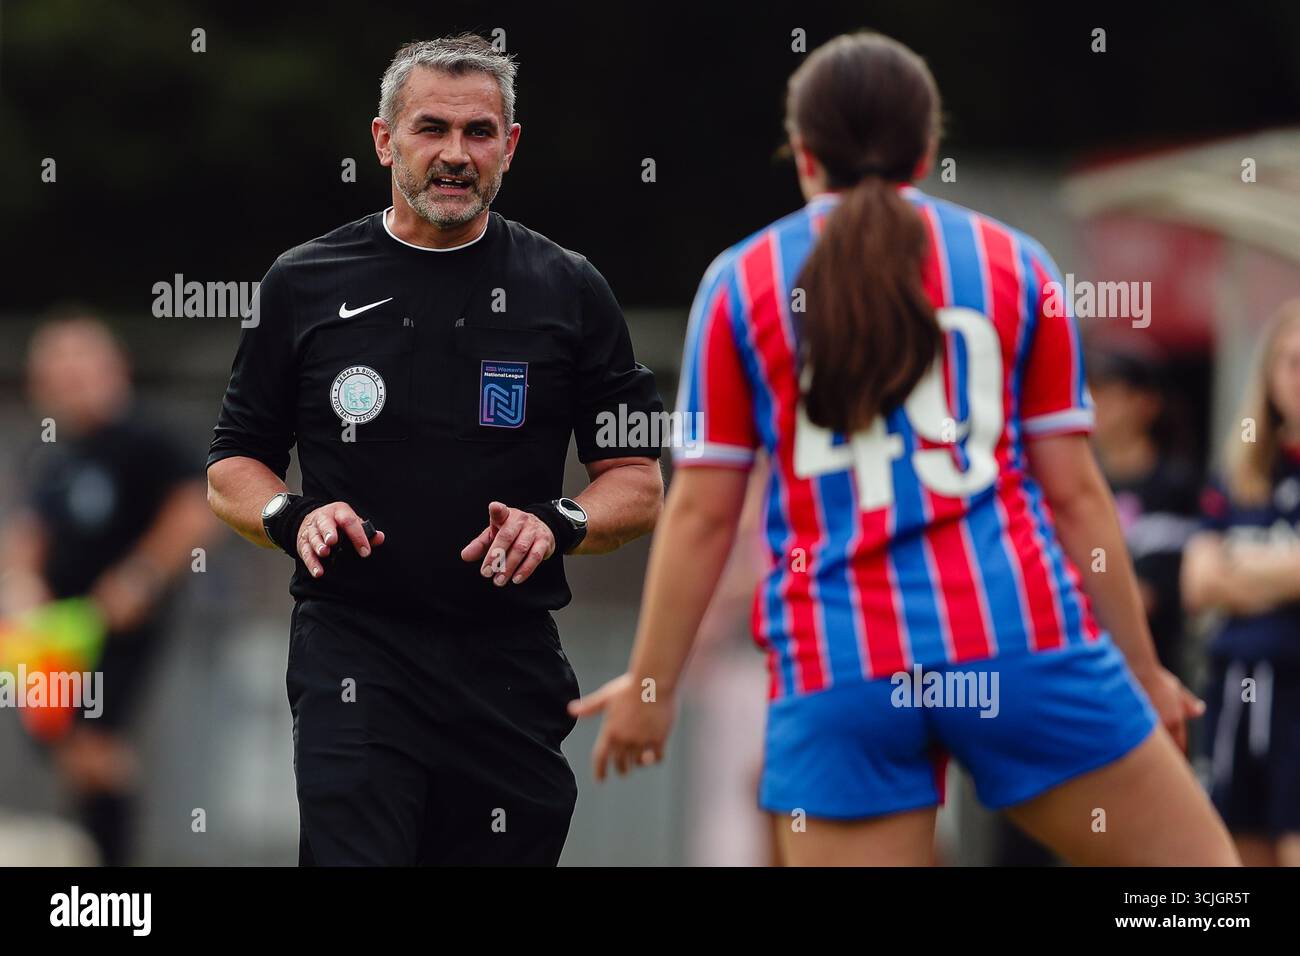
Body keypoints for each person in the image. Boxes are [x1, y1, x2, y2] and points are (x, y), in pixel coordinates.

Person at [571, 31, 1238, 866]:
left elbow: (705, 513)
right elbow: (1074, 496)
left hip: (842, 671)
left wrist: (651, 687)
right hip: (1017, 649)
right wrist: (1141, 673)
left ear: (804, 155)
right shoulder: (1015, 264)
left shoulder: (740, 282)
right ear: (927, 150)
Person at [205, 34, 663, 866]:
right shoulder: (303, 282)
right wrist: (291, 514)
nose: (456, 154)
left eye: (479, 132)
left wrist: (558, 521)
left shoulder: (568, 288)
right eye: (431, 129)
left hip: (508, 661)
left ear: (510, 147)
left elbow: (636, 481)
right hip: (355, 649)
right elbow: (233, 464)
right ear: (384, 140)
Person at [0, 311, 214, 865]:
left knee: (98, 745)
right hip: (59, 631)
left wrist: (140, 577)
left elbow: (195, 507)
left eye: (80, 363)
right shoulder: (54, 452)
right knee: (68, 745)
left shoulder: (145, 437)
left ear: (113, 367)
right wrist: (21, 586)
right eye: (56, 369)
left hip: (119, 626)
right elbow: (28, 534)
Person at [1183, 300, 1300, 867]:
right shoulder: (1241, 470)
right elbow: (1199, 583)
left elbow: (1221, 570)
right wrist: (1283, 572)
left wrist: (1241, 565)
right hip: (1237, 691)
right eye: (1294, 363)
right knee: (1232, 860)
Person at [1089, 344, 1201, 681]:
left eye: (1108, 394)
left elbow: (1149, 595)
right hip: (1084, 671)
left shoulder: (1175, 486)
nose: (1095, 406)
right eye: (1089, 393)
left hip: (1153, 674)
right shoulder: (1071, 488)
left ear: (1146, 404)